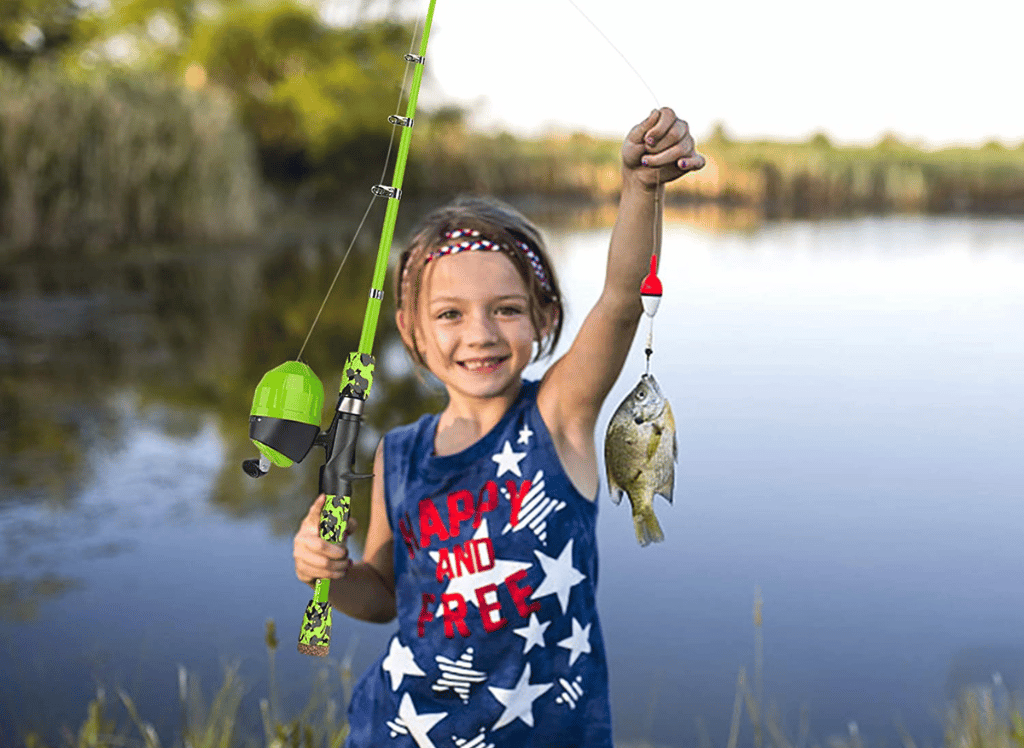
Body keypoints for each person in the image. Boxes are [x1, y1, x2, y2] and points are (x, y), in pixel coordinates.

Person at [293, 107, 705, 747]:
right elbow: (382, 597)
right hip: (402, 728)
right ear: (414, 333)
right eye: (450, 314)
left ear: (544, 319)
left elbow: (623, 300)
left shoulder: (558, 418)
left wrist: (642, 188)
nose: (480, 334)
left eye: (507, 310)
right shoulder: (398, 455)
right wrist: (335, 573)